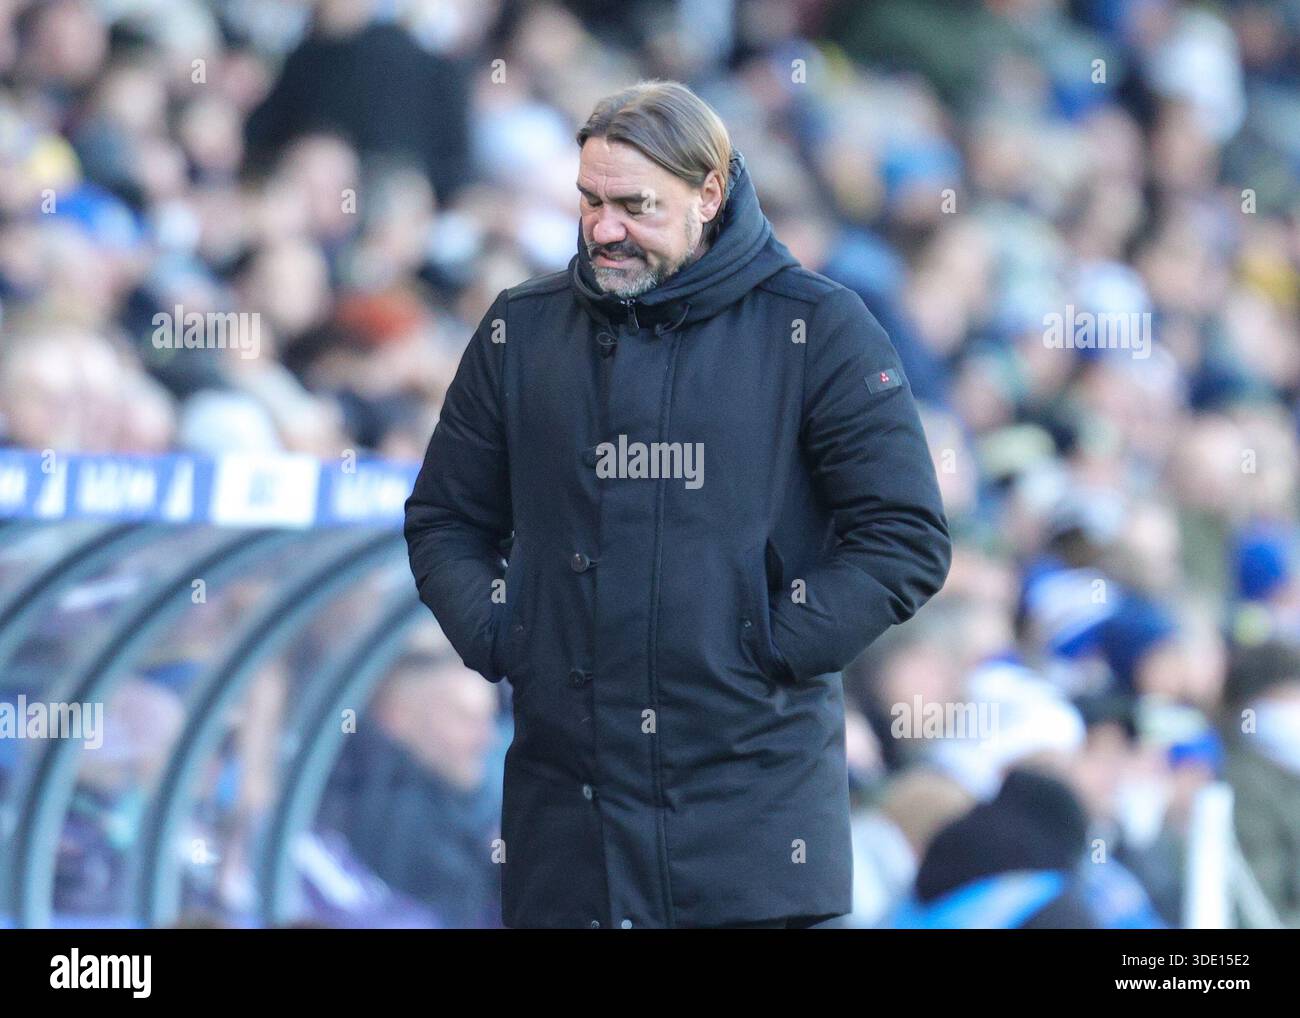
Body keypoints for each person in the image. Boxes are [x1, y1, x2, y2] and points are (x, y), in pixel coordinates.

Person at [404, 80, 951, 929]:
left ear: (709, 193)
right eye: (589, 201)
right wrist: (507, 634)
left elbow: (906, 536)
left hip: (755, 848)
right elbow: (445, 520)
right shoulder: (522, 330)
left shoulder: (821, 327)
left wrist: (760, 645)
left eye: (634, 205)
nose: (604, 228)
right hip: (568, 850)